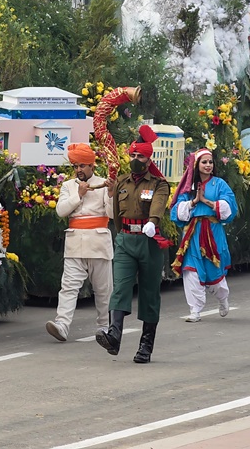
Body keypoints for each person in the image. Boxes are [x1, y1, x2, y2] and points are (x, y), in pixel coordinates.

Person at [97, 125, 170, 364]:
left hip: (149, 242)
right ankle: (114, 336)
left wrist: (152, 222)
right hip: (126, 240)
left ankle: (146, 345)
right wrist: (122, 234)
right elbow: (117, 213)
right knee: (120, 288)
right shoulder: (121, 182)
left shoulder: (158, 183)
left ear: (149, 158)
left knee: (149, 294)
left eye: (140, 156)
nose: (136, 159)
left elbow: (159, 203)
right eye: (133, 155)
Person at [45, 142, 114, 342]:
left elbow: (111, 214)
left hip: (99, 243)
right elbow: (61, 211)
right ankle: (62, 325)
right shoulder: (68, 186)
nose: (78, 170)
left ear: (92, 165)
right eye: (75, 166)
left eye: (82, 166)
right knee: (68, 286)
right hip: (75, 244)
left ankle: (105, 326)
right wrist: (79, 195)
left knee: (103, 289)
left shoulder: (103, 184)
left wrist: (110, 194)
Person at [170, 149, 238, 322]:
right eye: (204, 162)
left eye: (210, 162)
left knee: (214, 275)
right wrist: (194, 201)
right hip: (193, 234)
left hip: (213, 233)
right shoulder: (189, 187)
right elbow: (177, 210)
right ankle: (195, 310)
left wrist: (205, 201)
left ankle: (222, 299)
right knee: (191, 271)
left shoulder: (219, 184)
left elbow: (229, 207)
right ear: (196, 165)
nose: (208, 165)